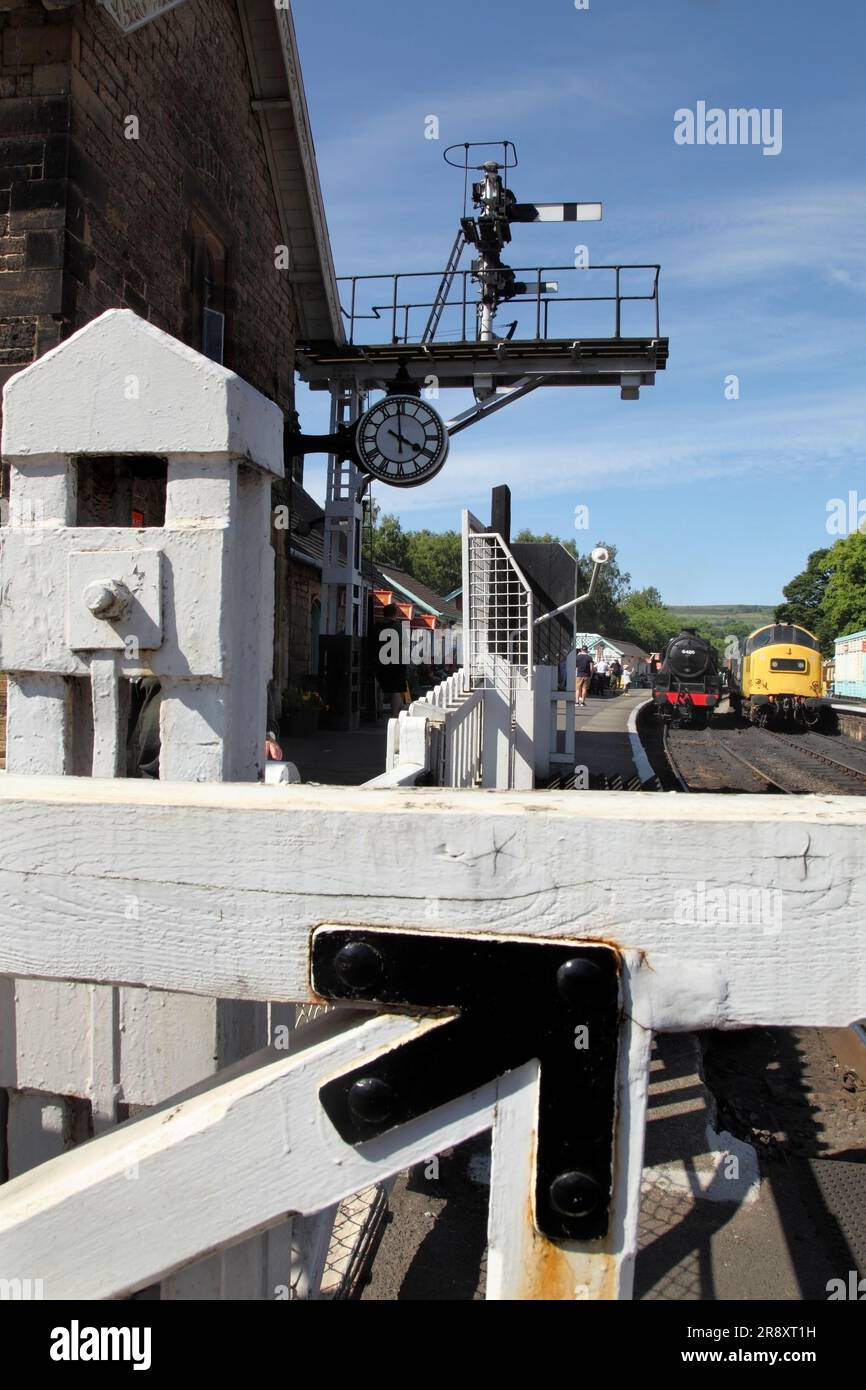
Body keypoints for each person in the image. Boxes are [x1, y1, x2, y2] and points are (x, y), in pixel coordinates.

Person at [373, 602, 409, 718]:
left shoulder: (376, 626)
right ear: (395, 614)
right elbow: (405, 644)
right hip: (396, 662)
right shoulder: (399, 627)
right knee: (396, 690)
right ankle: (394, 716)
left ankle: (378, 711)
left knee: (378, 687)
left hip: (379, 661)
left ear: (384, 614)